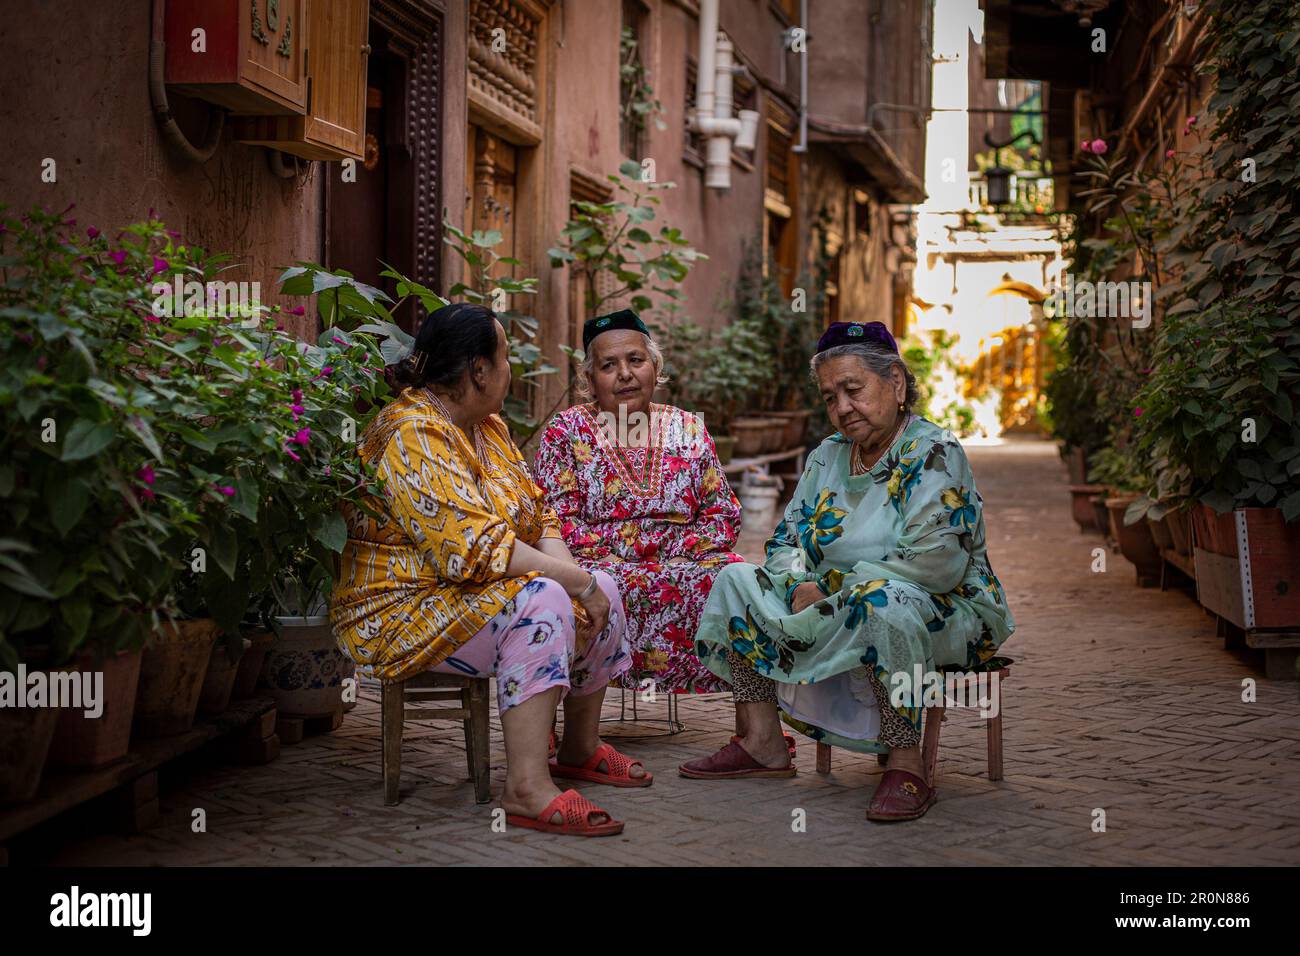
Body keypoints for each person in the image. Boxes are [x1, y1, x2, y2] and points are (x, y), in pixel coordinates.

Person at [331, 303, 651, 838]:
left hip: (468, 593)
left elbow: (537, 514)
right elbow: (475, 549)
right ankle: (525, 786)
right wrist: (573, 585)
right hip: (401, 607)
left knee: (606, 588)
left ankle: (579, 747)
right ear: (478, 370)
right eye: (504, 357)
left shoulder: (488, 426)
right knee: (546, 600)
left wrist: (585, 585)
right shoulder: (412, 433)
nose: (511, 369)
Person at [677, 320, 1015, 822]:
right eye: (830, 396)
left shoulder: (935, 453)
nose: (841, 407)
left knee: (885, 601)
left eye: (853, 390)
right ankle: (762, 742)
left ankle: (907, 763)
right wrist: (795, 586)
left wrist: (830, 590)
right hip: (830, 605)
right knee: (734, 579)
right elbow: (786, 540)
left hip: (942, 608)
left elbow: (934, 564)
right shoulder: (827, 456)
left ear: (896, 384)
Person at [533, 309, 746, 699]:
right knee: (578, 587)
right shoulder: (566, 432)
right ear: (589, 379)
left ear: (654, 366)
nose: (625, 374)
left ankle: (755, 728)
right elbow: (557, 519)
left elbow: (723, 512)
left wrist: (680, 555)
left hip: (685, 562)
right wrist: (620, 559)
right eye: (608, 365)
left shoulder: (687, 426)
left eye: (636, 360)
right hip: (599, 564)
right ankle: (551, 722)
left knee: (740, 579)